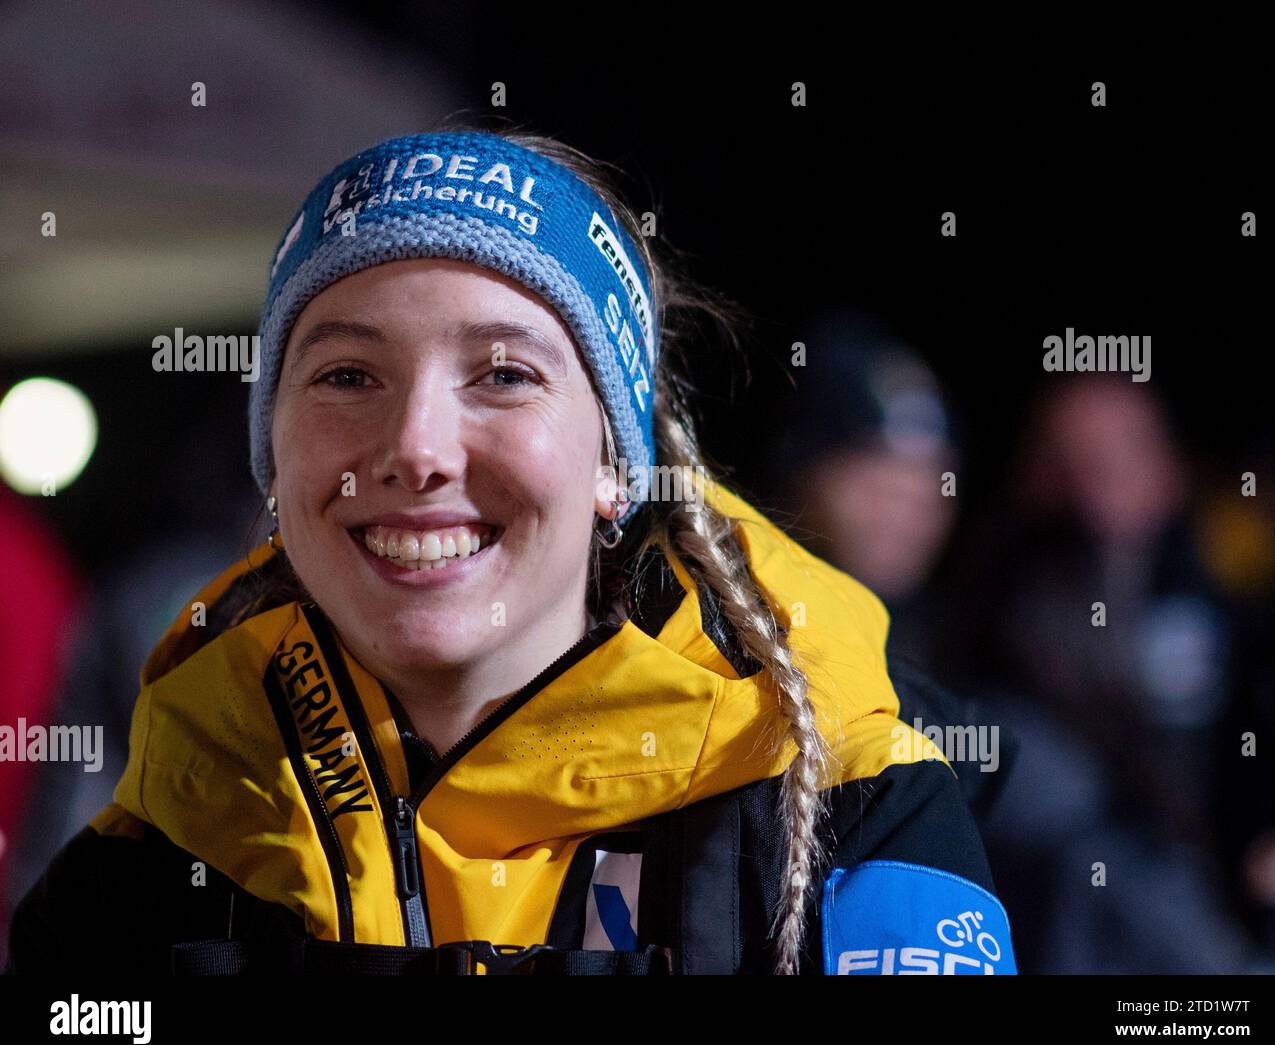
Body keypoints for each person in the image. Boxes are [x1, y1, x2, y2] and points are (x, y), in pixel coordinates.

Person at [7, 126, 1016, 975]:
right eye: (348, 375)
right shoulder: (147, 861)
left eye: (501, 374)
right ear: (272, 451)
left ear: (613, 462)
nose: (415, 448)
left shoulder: (840, 803)